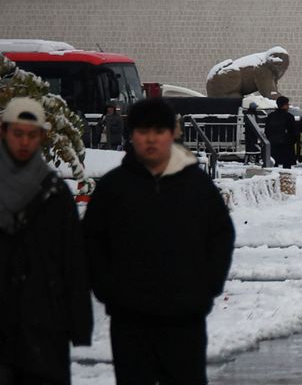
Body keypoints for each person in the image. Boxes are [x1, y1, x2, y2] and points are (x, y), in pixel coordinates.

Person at [83, 98, 234, 385]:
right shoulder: (115, 186)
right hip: (130, 317)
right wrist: (107, 289)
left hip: (184, 315)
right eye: (142, 131)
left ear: (172, 134)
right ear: (132, 135)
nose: (151, 139)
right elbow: (92, 240)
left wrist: (207, 287)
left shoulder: (196, 185)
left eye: (158, 131)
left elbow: (220, 235)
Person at [1, 97, 93, 385]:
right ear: (4, 133)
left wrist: (78, 324)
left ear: (41, 137)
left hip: (44, 324)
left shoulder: (54, 193)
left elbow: (72, 261)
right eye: (18, 133)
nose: (24, 142)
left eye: (31, 134)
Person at [264, 95, 297, 170]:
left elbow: (267, 130)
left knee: (273, 166)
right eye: (288, 104)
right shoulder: (289, 116)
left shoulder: (271, 116)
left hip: (273, 145)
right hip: (286, 145)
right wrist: (292, 141)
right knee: (286, 168)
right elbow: (294, 131)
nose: (288, 106)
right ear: (285, 105)